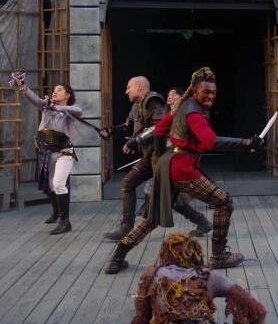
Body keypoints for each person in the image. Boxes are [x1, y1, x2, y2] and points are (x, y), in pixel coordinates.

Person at [104, 67, 263, 274]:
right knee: (224, 202)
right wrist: (246, 143)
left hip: (168, 164)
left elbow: (158, 131)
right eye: (206, 92)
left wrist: (159, 156)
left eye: (213, 92)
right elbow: (211, 141)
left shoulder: (182, 107)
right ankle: (219, 256)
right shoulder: (193, 113)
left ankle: (117, 259)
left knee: (152, 218)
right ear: (195, 91)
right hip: (182, 168)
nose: (210, 96)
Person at [90, 233, 267, 324]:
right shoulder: (207, 275)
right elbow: (259, 311)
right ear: (196, 255)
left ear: (165, 255)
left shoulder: (152, 276)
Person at [100, 76, 211, 241]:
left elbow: (158, 127)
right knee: (128, 184)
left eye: (129, 87)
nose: (126, 91)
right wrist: (111, 130)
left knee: (172, 199)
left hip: (162, 157)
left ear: (139, 87)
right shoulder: (137, 106)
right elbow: (127, 127)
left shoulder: (154, 102)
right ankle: (126, 227)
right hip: (150, 156)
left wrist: (136, 140)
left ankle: (204, 220)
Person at [10, 73, 81, 234]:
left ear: (67, 95)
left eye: (59, 90)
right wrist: (23, 86)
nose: (55, 92)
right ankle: (56, 213)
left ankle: (65, 222)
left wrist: (57, 107)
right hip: (47, 153)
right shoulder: (46, 106)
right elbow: (35, 99)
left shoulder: (69, 110)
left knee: (59, 184)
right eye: (54, 90)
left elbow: (79, 110)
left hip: (64, 153)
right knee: (51, 186)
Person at [136, 85, 185, 217]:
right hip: (166, 153)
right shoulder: (167, 113)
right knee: (158, 185)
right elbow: (159, 127)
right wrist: (145, 135)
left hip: (180, 154)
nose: (170, 96)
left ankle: (150, 212)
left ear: (181, 97)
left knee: (175, 190)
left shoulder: (184, 112)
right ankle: (150, 211)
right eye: (169, 94)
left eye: (174, 94)